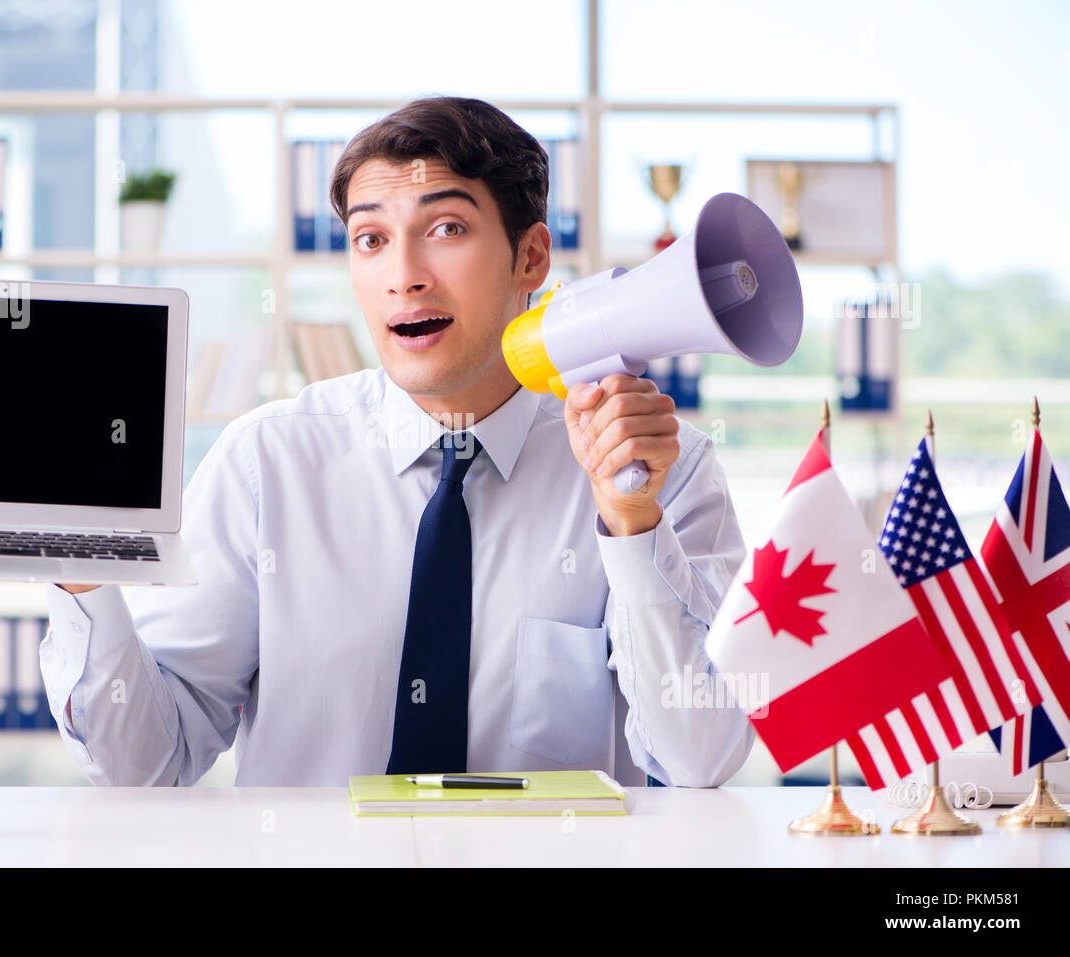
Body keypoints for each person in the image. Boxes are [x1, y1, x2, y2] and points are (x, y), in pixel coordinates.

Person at [42, 95, 753, 787]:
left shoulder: (668, 470)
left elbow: (701, 760)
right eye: (371, 240)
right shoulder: (267, 465)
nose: (404, 275)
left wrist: (631, 528)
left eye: (446, 228)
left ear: (531, 257)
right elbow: (149, 762)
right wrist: (84, 565)